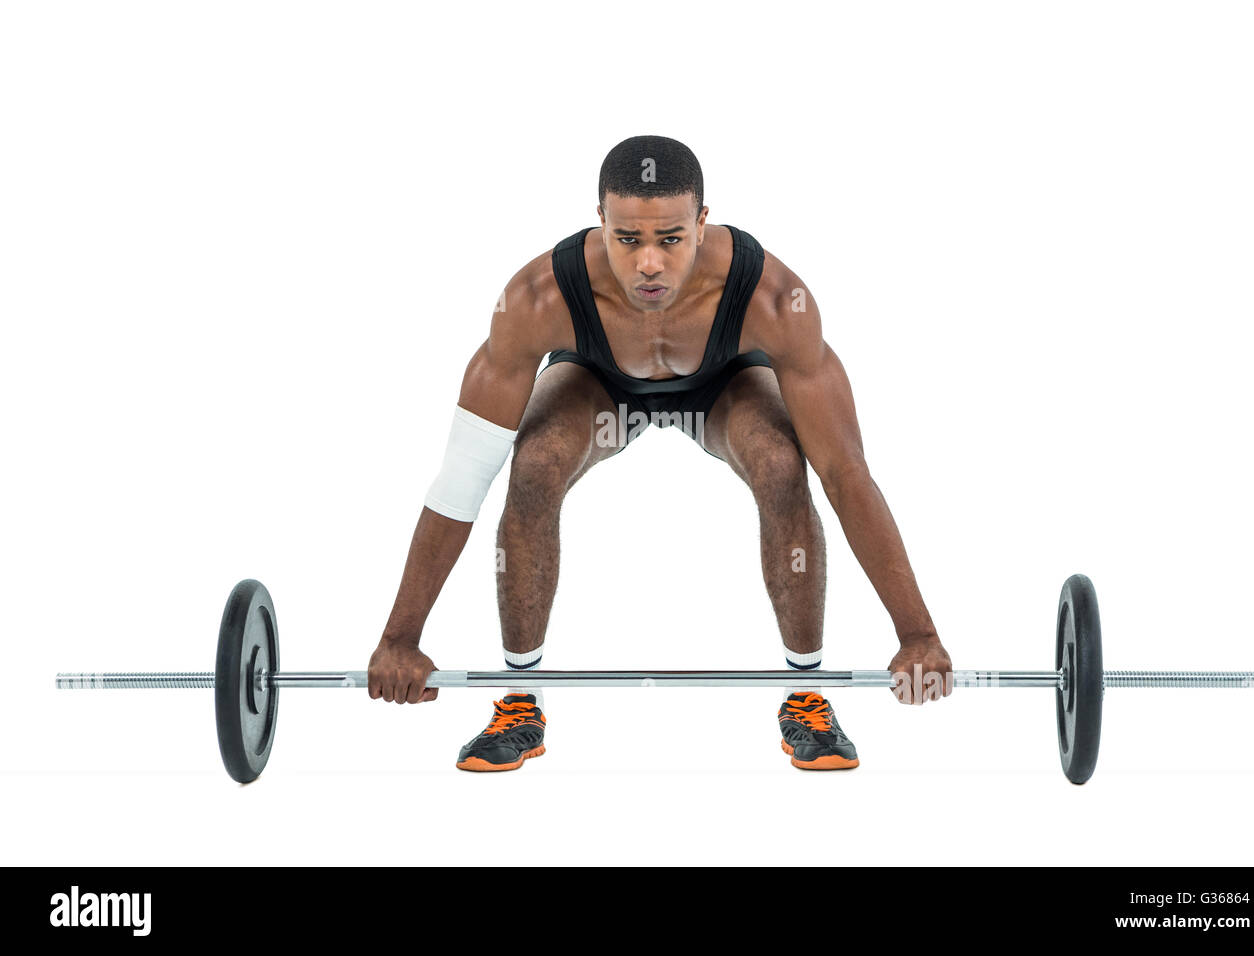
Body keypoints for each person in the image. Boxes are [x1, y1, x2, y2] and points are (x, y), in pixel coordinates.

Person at [368, 135, 953, 771]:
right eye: (628, 239)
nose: (648, 262)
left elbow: (844, 474)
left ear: (702, 223)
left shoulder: (772, 298)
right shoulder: (538, 298)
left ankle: (806, 694)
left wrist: (917, 634)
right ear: (601, 221)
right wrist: (401, 638)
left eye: (670, 239)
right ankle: (519, 702)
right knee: (534, 464)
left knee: (781, 463)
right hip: (599, 383)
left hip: (722, 383)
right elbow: (462, 480)